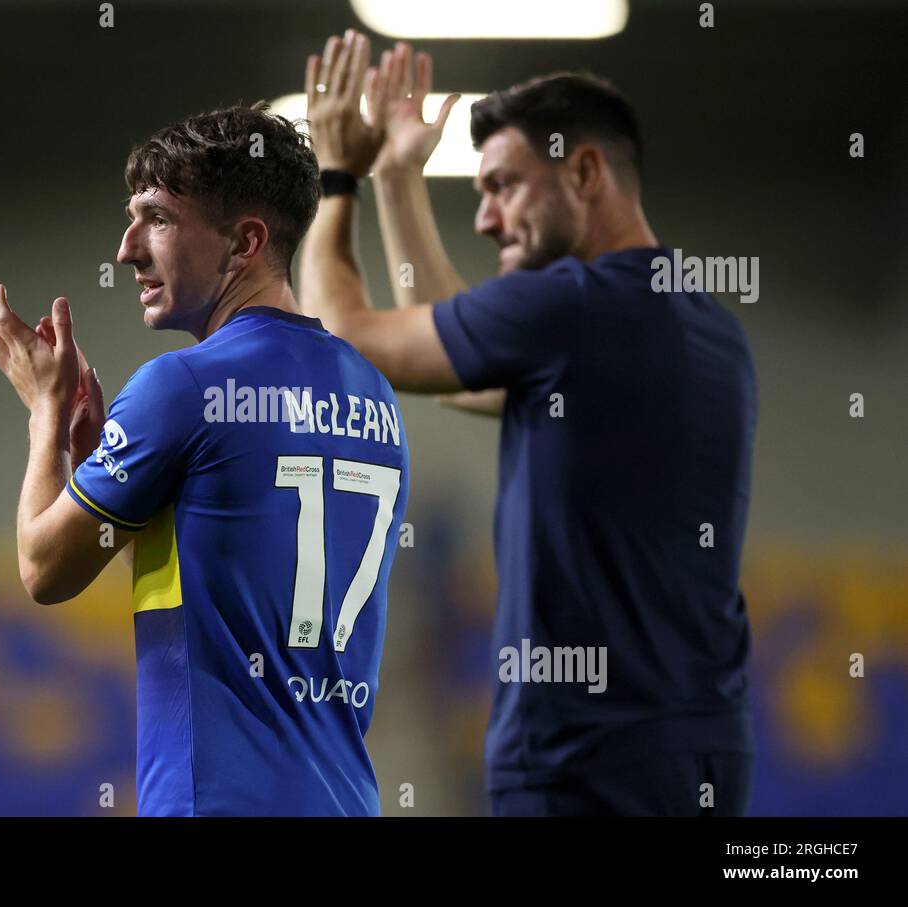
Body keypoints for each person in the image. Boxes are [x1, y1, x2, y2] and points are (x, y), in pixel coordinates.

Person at [298, 30, 755, 816]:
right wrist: (399, 175)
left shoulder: (571, 305)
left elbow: (345, 336)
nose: (485, 218)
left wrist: (338, 173)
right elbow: (454, 354)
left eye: (504, 186)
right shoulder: (706, 325)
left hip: (578, 761)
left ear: (585, 172)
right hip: (699, 756)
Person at [0, 103, 409, 816]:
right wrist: (99, 455)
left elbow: (43, 568)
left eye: (158, 218)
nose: (126, 248)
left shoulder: (186, 385)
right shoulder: (375, 396)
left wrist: (45, 414)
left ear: (244, 242)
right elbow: (210, 572)